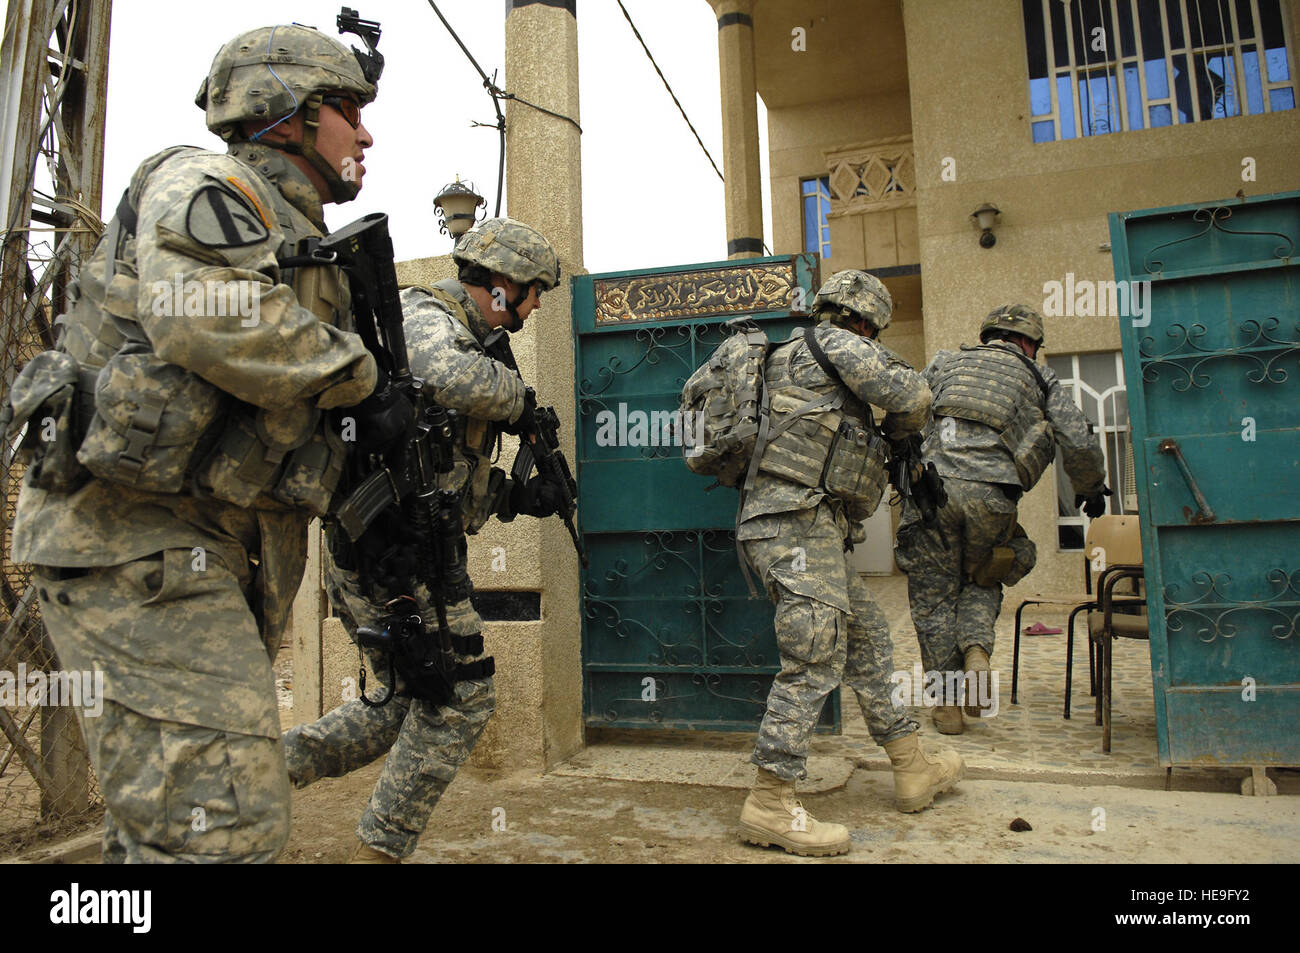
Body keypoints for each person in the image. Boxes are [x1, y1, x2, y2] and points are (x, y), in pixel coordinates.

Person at [7, 21, 386, 862]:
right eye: (349, 110)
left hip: (201, 557)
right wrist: (359, 376)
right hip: (131, 542)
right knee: (225, 825)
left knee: (167, 826)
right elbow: (202, 316)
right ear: (286, 111)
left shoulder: (302, 246)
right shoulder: (210, 182)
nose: (365, 134)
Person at [281, 217, 566, 863]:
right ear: (501, 284)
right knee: (463, 696)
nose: (539, 303)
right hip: (386, 549)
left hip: (408, 548)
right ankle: (377, 850)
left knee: (395, 704)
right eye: (534, 289)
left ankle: (250, 775)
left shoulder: (479, 340)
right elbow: (445, 372)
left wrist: (517, 496)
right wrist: (520, 401)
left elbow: (444, 477)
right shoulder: (423, 317)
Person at [736, 270, 964, 858]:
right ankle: (769, 802)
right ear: (865, 321)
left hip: (799, 525)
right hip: (796, 524)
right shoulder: (839, 345)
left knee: (865, 637)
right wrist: (906, 428)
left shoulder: (786, 356)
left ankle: (911, 766)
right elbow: (913, 394)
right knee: (814, 655)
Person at [894, 305, 1109, 734]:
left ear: (988, 334)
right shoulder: (1038, 377)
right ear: (1029, 343)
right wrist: (1089, 487)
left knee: (934, 599)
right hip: (993, 499)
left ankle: (949, 707)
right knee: (983, 577)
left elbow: (904, 409)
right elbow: (1076, 438)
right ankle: (976, 651)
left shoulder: (945, 362)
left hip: (931, 494)